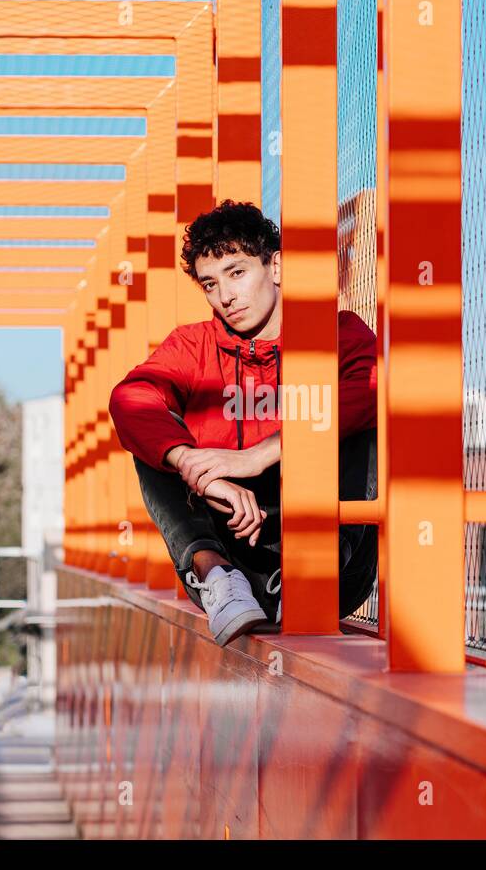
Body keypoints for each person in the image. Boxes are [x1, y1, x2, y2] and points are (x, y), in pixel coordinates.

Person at [107, 199, 378, 645]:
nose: (226, 297)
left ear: (276, 267)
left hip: (330, 557)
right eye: (210, 284)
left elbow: (373, 388)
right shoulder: (193, 346)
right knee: (157, 438)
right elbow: (129, 399)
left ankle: (314, 572)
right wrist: (193, 466)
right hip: (233, 557)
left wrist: (262, 454)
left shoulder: (338, 334)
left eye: (237, 273)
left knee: (362, 423)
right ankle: (215, 576)